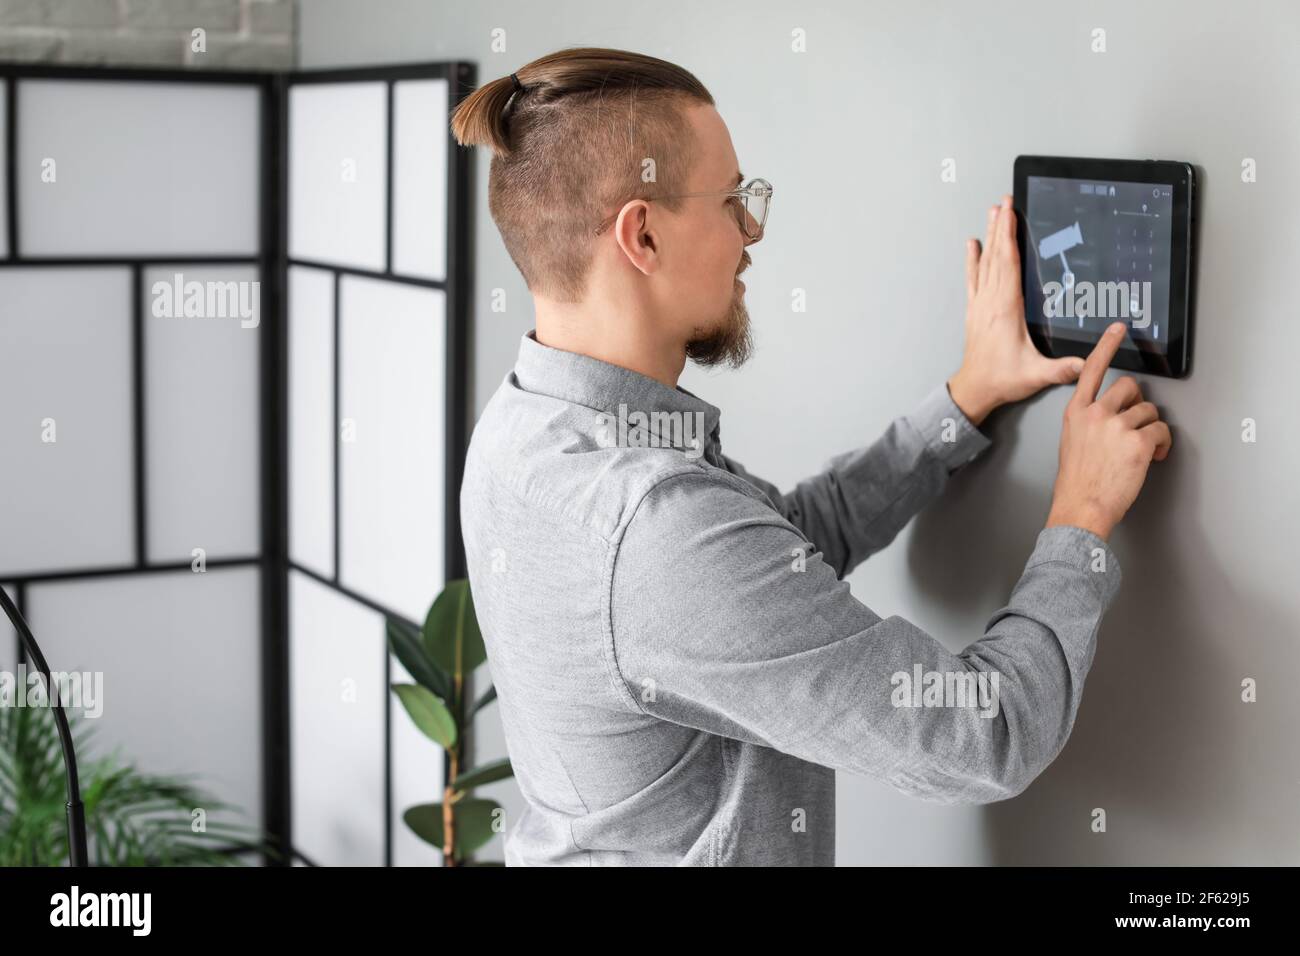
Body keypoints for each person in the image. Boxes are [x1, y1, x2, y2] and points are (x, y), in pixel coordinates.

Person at [452, 47, 1172, 865]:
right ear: (642, 234)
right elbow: (986, 735)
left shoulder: (524, 427)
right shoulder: (654, 533)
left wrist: (965, 400)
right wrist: (1080, 517)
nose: (751, 231)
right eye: (732, 201)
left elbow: (773, 554)